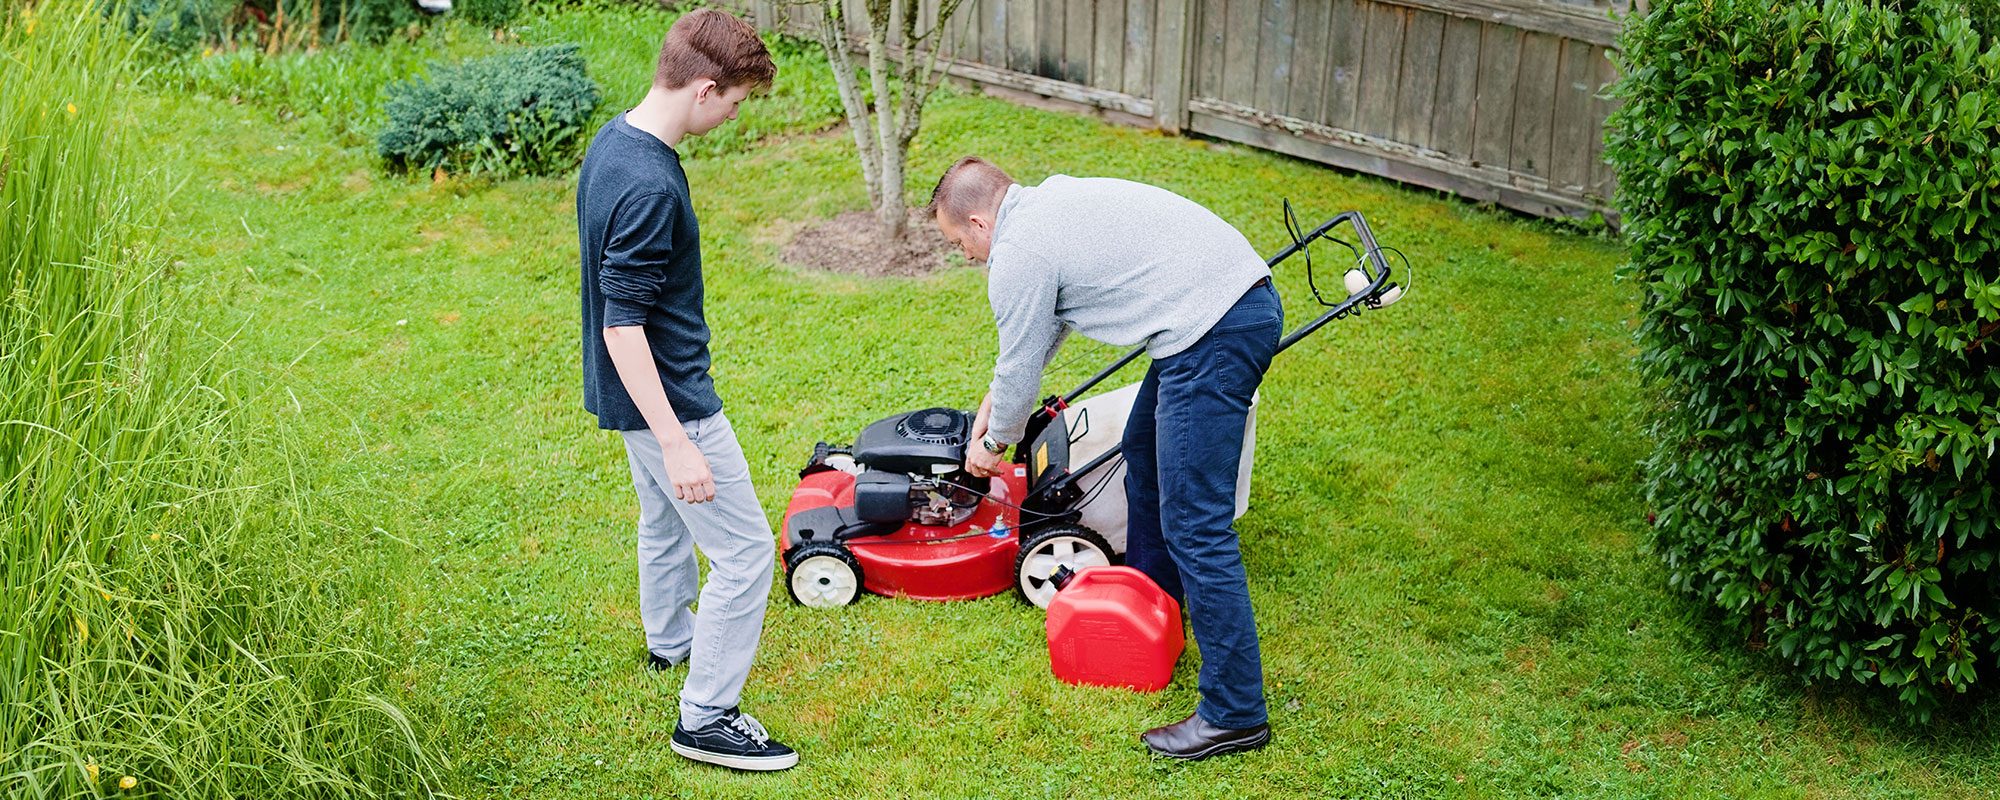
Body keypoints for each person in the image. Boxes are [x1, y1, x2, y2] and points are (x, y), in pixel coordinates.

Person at [929, 158, 1282, 760]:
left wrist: (991, 447)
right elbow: (1035, 339)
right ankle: (1153, 606)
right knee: (1143, 455)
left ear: (980, 222)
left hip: (1212, 331)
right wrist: (997, 401)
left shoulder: (1018, 252)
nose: (964, 254)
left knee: (1196, 525)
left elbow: (1020, 362)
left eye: (959, 241)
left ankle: (1235, 713)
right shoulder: (1046, 206)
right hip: (1220, 309)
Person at [575, 8, 796, 772]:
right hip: (669, 400)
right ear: (704, 89)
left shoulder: (615, 140)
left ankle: (671, 640)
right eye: (734, 103)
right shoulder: (649, 185)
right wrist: (677, 441)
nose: (734, 115)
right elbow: (622, 325)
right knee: (746, 555)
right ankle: (705, 717)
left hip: (630, 398)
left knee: (664, 521)